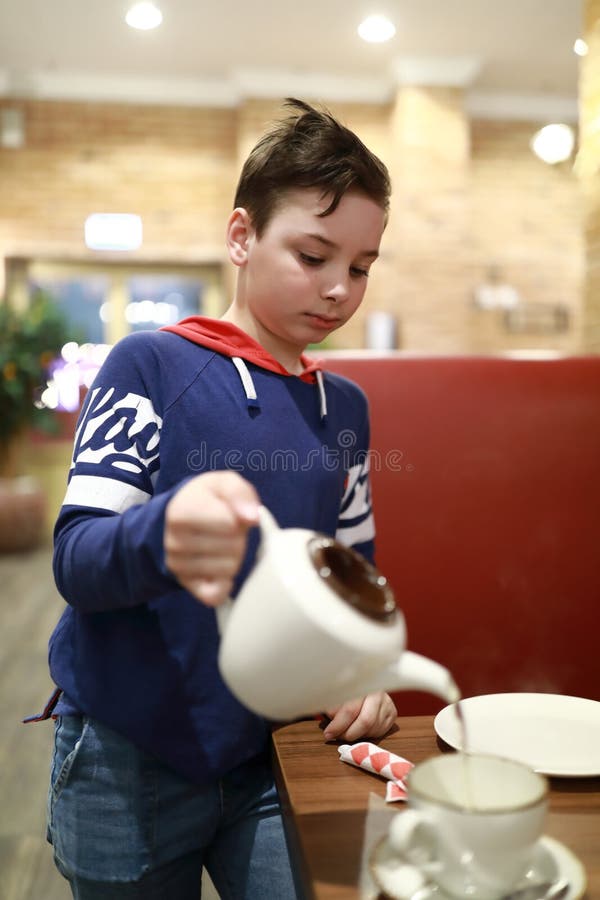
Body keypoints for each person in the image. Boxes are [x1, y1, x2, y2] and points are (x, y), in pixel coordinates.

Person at [33, 98, 397, 899]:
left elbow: (353, 572)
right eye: (313, 254)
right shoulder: (150, 366)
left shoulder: (349, 410)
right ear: (241, 237)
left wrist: (362, 668)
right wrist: (159, 536)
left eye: (362, 266)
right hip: (128, 757)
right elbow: (78, 558)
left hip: (276, 748)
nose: (339, 289)